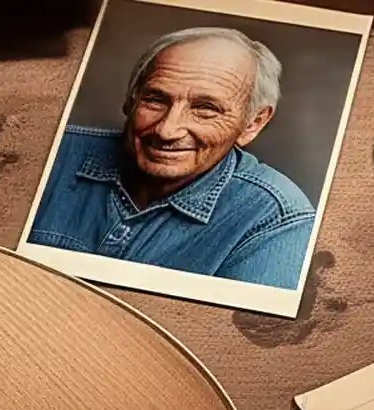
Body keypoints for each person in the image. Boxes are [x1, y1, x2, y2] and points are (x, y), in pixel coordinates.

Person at [27, 26, 315, 289]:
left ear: (253, 123)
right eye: (155, 100)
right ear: (130, 99)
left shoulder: (275, 219)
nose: (167, 130)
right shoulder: (49, 151)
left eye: (205, 109)